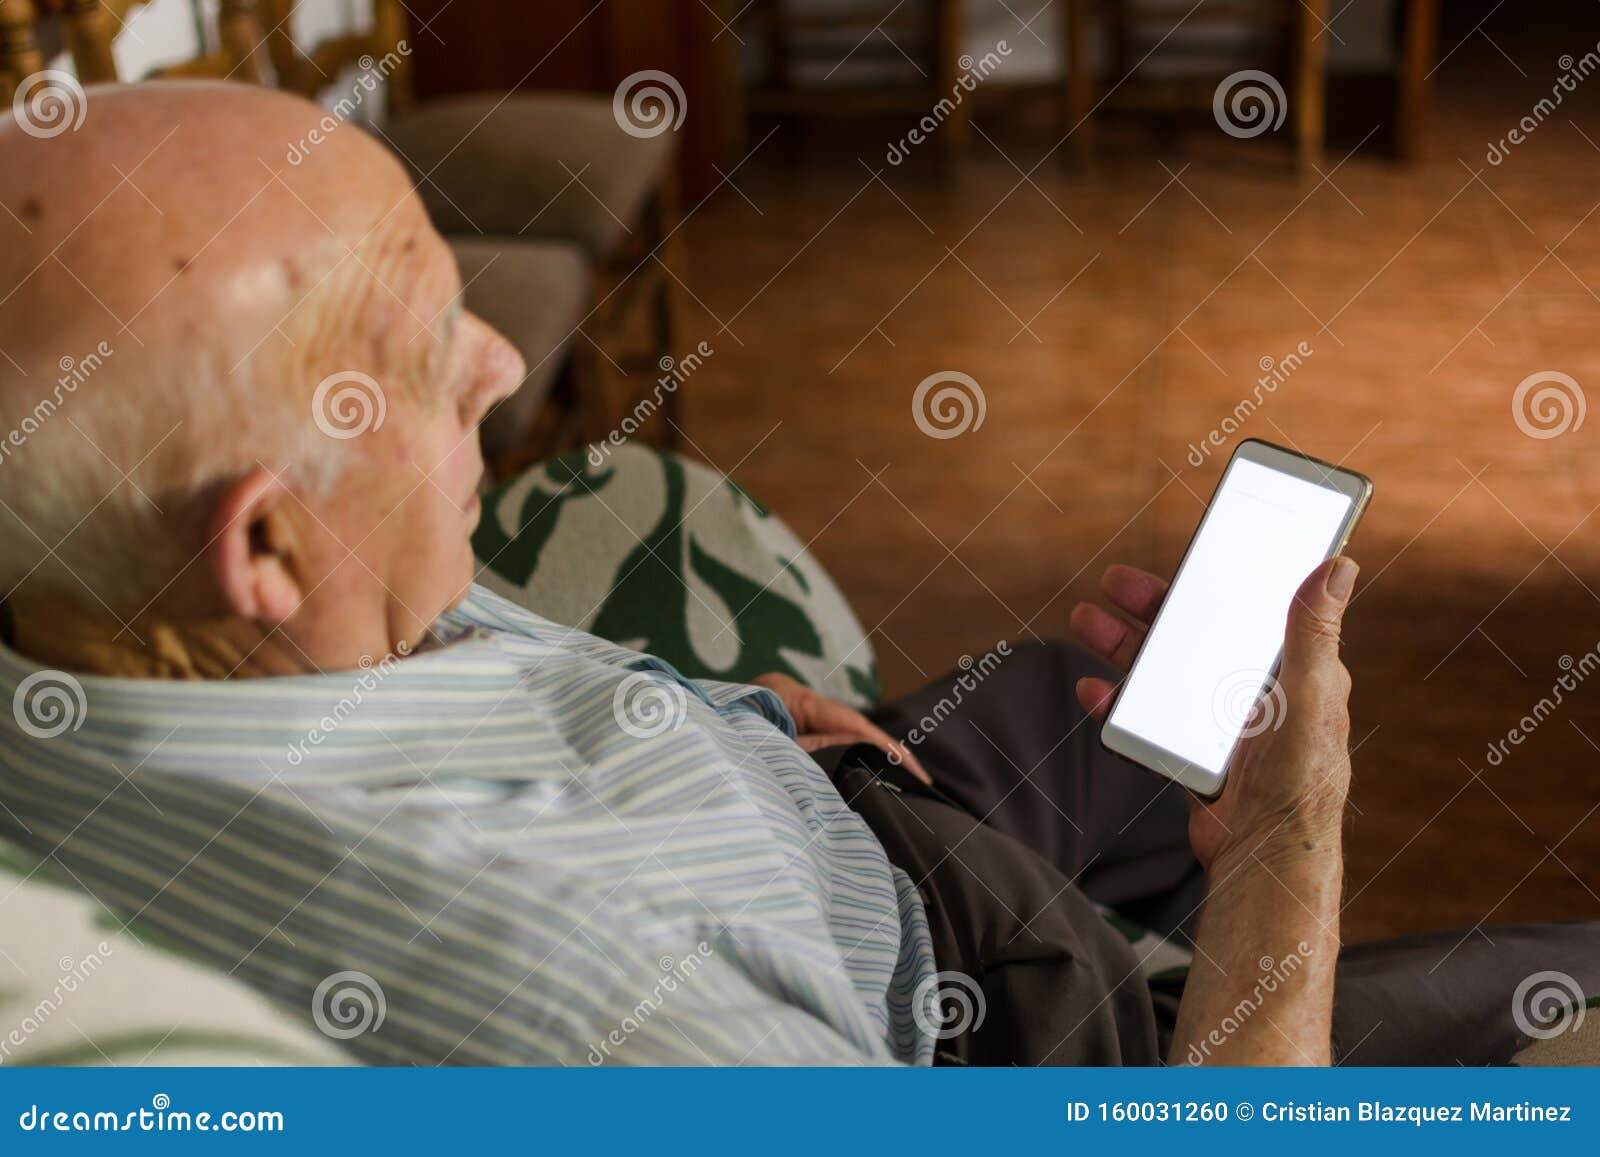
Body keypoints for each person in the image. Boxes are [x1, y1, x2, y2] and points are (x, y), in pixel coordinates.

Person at [0, 82, 1592, 1067]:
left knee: (1091, 697)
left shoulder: (120, 607)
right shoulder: (585, 1023)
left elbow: (431, 644)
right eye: (426, 352)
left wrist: (704, 716)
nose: (501, 359)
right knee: (1550, 994)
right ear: (265, 546)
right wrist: (1290, 842)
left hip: (827, 804)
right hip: (983, 1022)